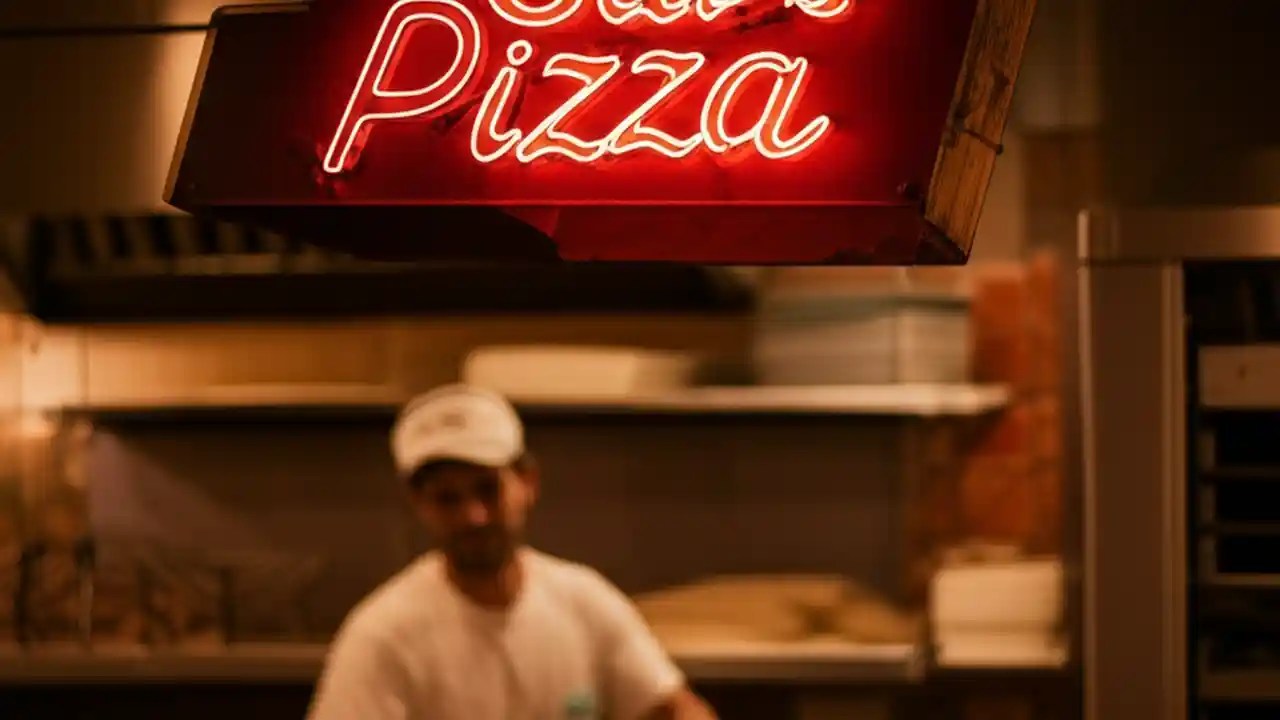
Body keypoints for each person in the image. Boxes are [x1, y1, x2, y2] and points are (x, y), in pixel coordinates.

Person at [307, 383, 718, 720]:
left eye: (488, 489)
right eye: (448, 499)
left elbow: (674, 709)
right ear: (419, 505)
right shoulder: (382, 636)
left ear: (528, 482)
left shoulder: (584, 602)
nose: (473, 516)